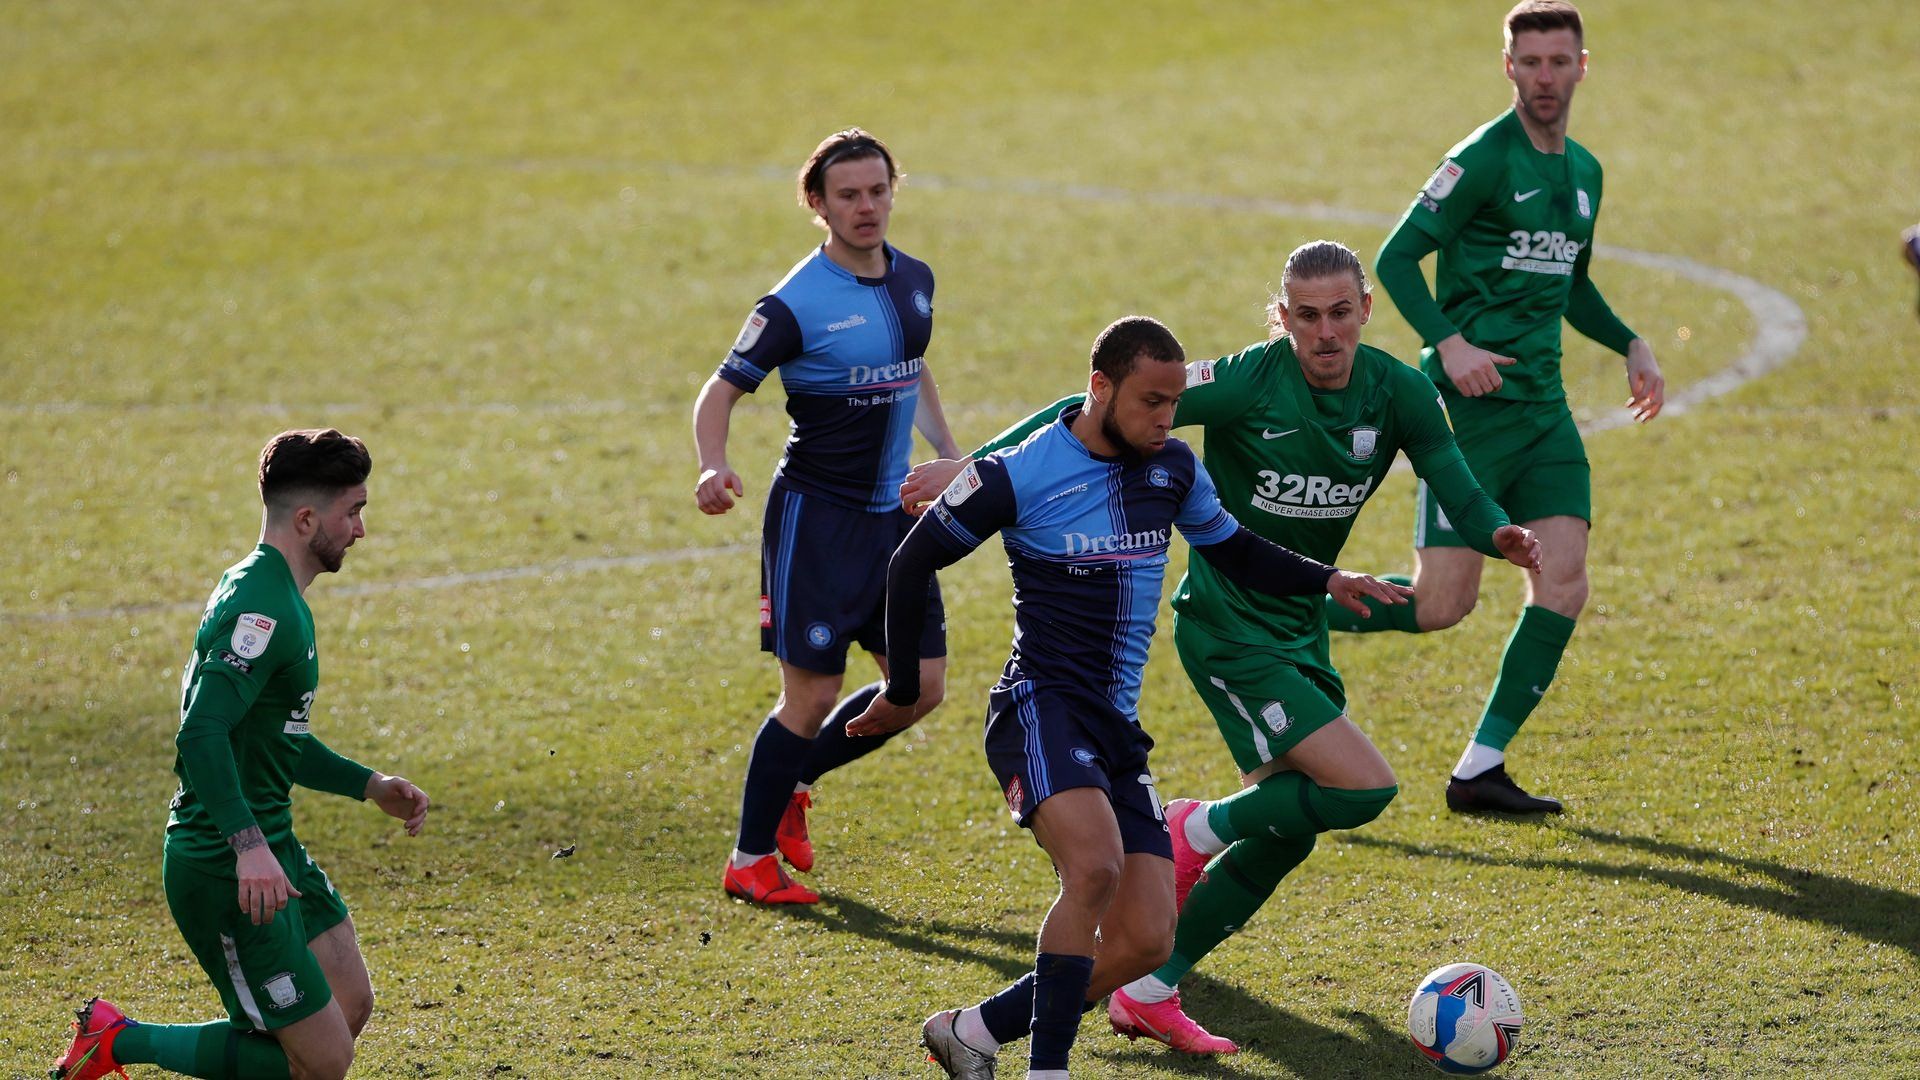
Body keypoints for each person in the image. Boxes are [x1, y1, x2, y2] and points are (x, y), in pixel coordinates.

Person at [901, 241, 1541, 1055]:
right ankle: (1193, 830)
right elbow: (1100, 402)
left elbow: (1451, 474)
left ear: (1365, 312)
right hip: (1228, 628)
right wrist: (978, 464)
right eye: (1306, 316)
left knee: (1290, 829)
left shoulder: (1399, 392)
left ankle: (1149, 987)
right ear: (1283, 318)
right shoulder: (1248, 379)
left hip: (1301, 623)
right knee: (1362, 788)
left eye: (1340, 313)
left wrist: (1499, 532)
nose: (1325, 333)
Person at [857, 316, 1413, 1079]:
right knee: (1094, 872)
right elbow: (909, 565)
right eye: (1151, 402)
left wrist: (1328, 579)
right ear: (1100, 387)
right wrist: (902, 690)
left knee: (1146, 942)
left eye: (1174, 403)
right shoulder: (1019, 474)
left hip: (1116, 724)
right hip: (1040, 705)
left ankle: (974, 1030)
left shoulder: (1173, 471)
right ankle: (1047, 1071)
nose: (1166, 419)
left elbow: (1234, 548)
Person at [1329, 0, 1664, 814]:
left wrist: (1628, 343)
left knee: (1565, 580)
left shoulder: (1585, 172)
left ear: (1583, 67)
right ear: (1507, 66)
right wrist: (1449, 343)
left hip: (1544, 414)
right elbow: (1395, 257)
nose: (1545, 77)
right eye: (1530, 62)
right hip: (1468, 419)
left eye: (1559, 62)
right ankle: (1273, 608)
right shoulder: (1479, 159)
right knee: (1442, 605)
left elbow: (1569, 282)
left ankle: (1479, 768)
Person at [51, 428, 431, 1080]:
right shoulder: (263, 608)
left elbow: (273, 737)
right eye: (354, 512)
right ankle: (114, 1041)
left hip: (268, 843)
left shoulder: (269, 588)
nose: (361, 530)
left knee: (349, 1002)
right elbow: (201, 733)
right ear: (307, 518)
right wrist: (248, 845)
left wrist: (368, 784)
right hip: (224, 862)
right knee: (321, 1063)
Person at [691, 127, 962, 905]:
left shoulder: (915, 279)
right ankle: (749, 859)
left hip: (895, 521)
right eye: (848, 195)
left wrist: (946, 447)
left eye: (878, 190)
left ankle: (795, 781)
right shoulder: (793, 303)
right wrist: (712, 463)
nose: (867, 206)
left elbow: (913, 363)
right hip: (818, 521)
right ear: (818, 204)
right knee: (810, 697)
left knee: (920, 689)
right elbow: (719, 394)